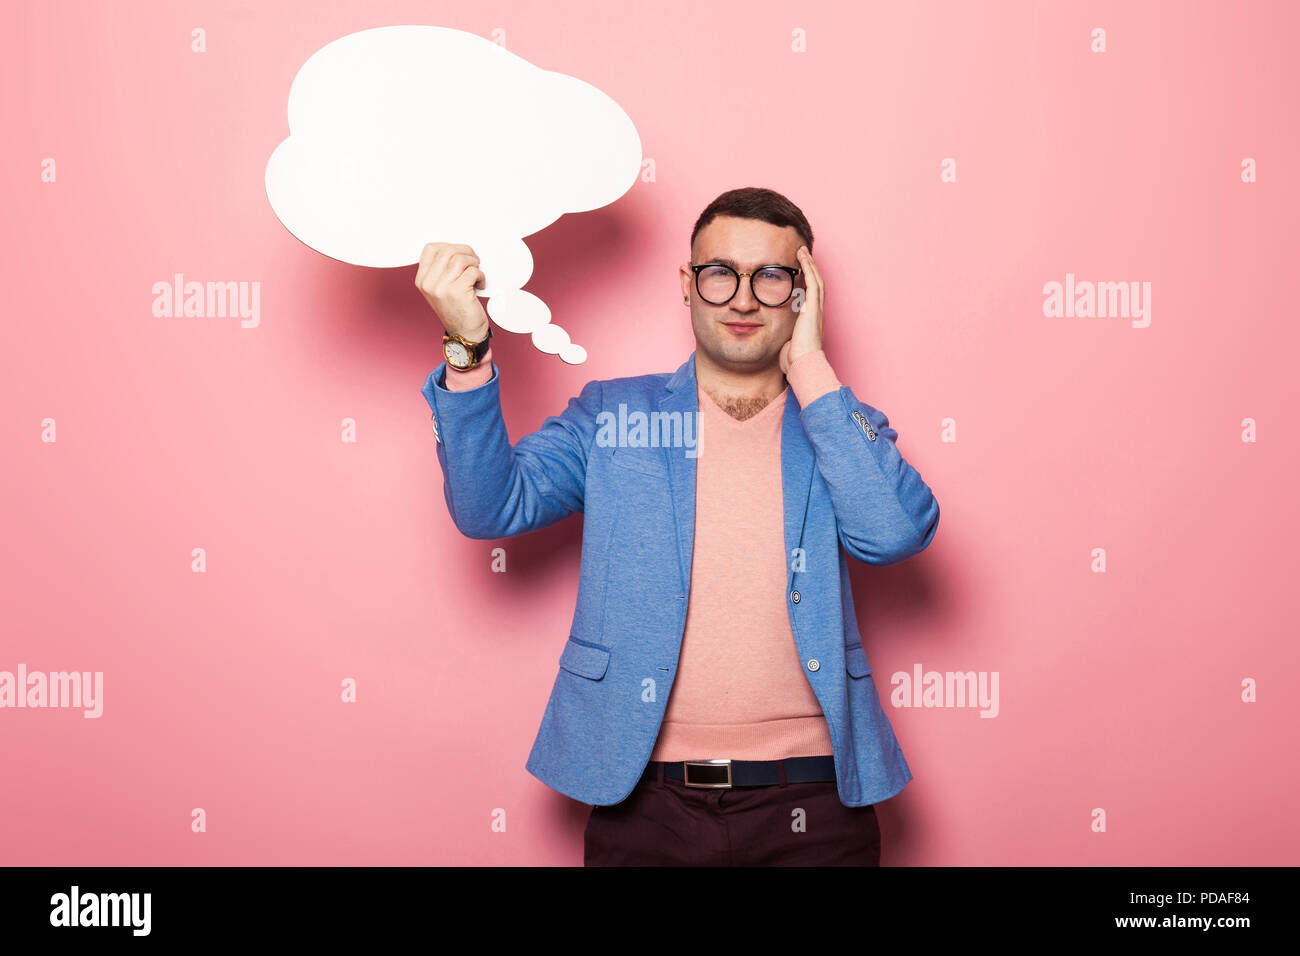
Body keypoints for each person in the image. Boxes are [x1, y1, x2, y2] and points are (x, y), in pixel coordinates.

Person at [417, 186, 940, 866]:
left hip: (813, 800)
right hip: (645, 801)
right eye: (720, 273)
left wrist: (811, 368)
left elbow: (895, 533)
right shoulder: (613, 414)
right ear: (687, 285)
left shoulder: (837, 423)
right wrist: (467, 346)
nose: (744, 298)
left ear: (806, 292)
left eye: (772, 276)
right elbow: (490, 506)